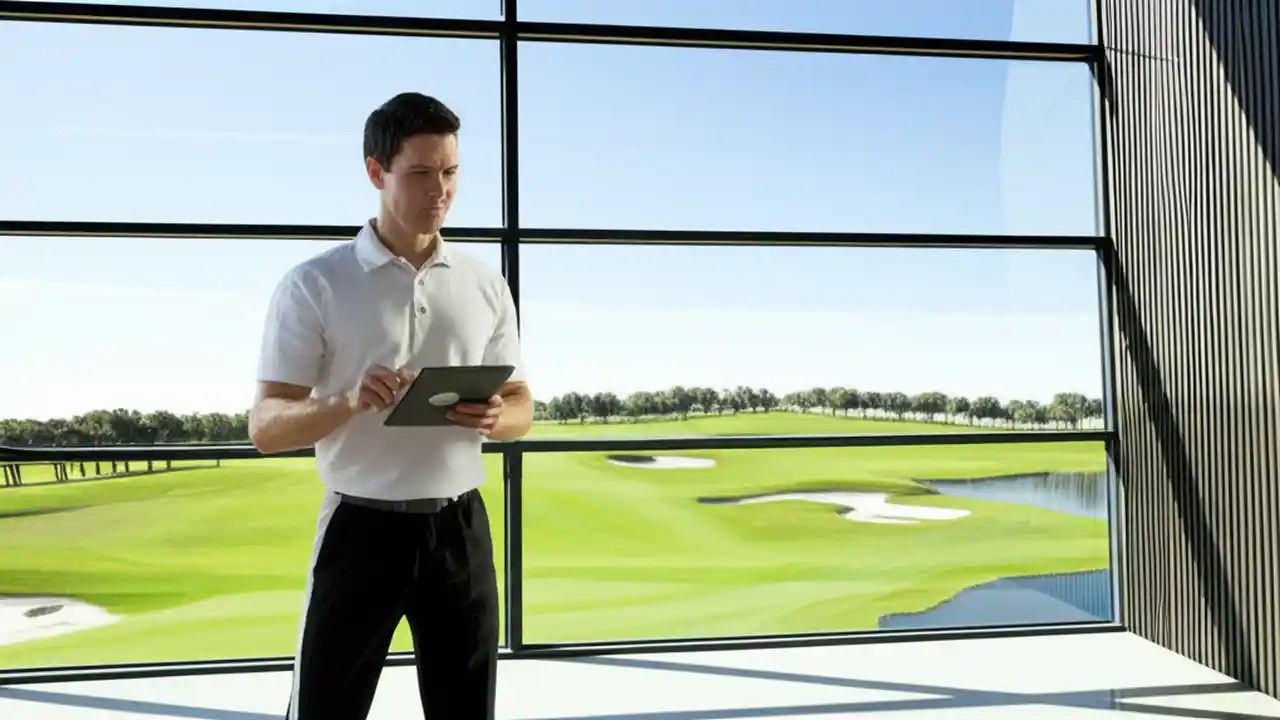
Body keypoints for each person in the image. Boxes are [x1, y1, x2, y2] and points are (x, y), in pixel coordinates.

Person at [249, 91, 532, 720]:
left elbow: (521, 405)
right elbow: (266, 427)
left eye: (451, 171)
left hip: (460, 531)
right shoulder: (314, 284)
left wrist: (497, 418)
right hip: (359, 530)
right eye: (421, 172)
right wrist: (347, 401)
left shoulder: (486, 284)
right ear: (376, 172)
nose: (441, 190)